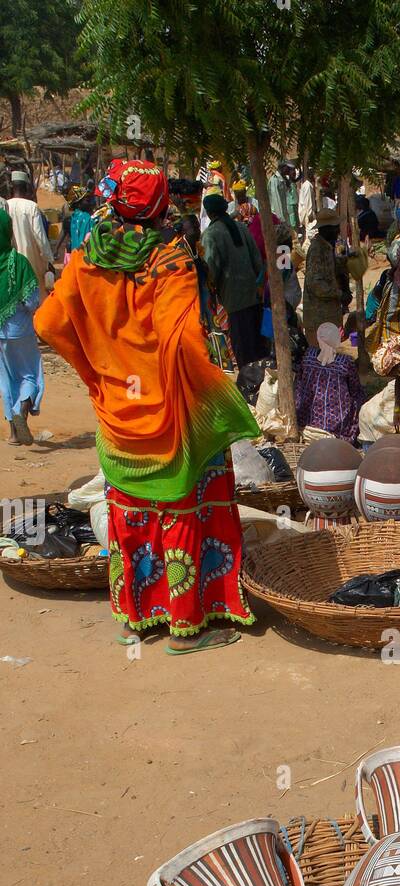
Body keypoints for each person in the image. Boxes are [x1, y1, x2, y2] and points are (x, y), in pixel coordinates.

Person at [35, 159, 260, 653]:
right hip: (168, 411)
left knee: (131, 509)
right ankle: (186, 627)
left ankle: (135, 618)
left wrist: (96, 372)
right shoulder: (170, 260)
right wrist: (217, 400)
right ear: (160, 205)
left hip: (117, 412)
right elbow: (184, 346)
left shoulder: (86, 257)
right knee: (182, 506)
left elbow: (49, 324)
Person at [201, 192, 264, 376]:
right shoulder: (242, 228)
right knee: (257, 342)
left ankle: (249, 380)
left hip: (232, 300)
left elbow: (211, 269)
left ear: (210, 213)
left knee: (242, 345)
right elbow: (257, 261)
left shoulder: (211, 235)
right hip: (252, 294)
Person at [0, 208, 44, 445]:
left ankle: (13, 434)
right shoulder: (18, 261)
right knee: (29, 374)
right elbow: (32, 301)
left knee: (5, 379)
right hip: (20, 330)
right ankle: (22, 410)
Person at [295, 321, 364, 442]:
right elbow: (355, 390)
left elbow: (299, 383)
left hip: (304, 421)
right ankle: (347, 435)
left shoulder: (308, 356)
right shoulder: (345, 362)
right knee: (358, 396)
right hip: (337, 427)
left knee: (299, 389)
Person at [302, 209, 349, 341]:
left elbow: (340, 270)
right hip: (319, 315)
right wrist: (339, 294)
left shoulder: (334, 245)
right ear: (325, 229)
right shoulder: (317, 250)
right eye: (334, 228)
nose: (337, 231)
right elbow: (316, 284)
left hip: (331, 312)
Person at [7, 172, 53, 302]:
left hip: (11, 260)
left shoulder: (5, 206)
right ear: (27, 188)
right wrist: (48, 260)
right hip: (32, 260)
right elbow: (40, 236)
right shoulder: (31, 207)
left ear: (12, 187)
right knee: (35, 300)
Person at [267, 160, 298, 231]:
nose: (289, 170)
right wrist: (281, 220)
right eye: (288, 168)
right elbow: (276, 201)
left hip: (284, 217)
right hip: (278, 218)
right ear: (283, 168)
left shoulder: (283, 179)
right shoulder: (275, 180)